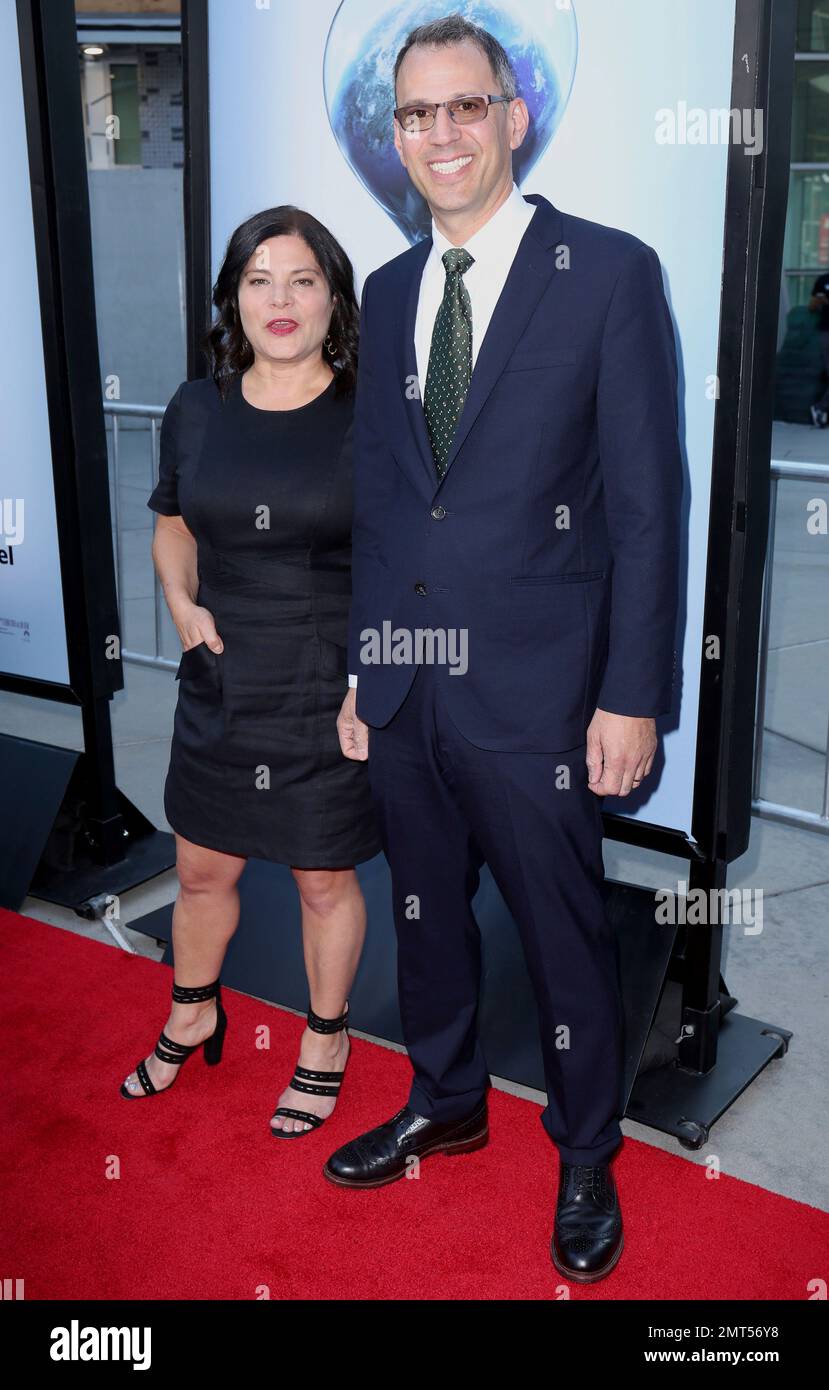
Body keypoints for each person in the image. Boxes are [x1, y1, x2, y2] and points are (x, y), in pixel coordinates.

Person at [326, 15, 683, 1283]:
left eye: (464, 107)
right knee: (425, 915)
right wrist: (366, 670)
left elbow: (647, 504)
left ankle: (585, 1147)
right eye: (417, 116)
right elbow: (382, 503)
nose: (442, 135)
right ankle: (446, 1097)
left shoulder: (610, 272)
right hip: (409, 683)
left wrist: (632, 694)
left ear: (512, 116)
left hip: (541, 690)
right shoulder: (382, 291)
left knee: (560, 928)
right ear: (398, 136)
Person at [120, 207, 383, 1136]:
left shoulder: (371, 412)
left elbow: (402, 559)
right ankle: (193, 1009)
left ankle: (325, 1037)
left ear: (332, 300)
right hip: (221, 680)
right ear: (233, 298)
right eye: (260, 280)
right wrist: (184, 608)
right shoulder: (196, 409)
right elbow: (172, 523)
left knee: (322, 881)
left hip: (328, 685)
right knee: (200, 869)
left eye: (303, 280)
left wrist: (370, 681)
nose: (281, 300)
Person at [808, 267, 829, 427]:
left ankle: (820, 409)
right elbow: (812, 306)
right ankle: (820, 409)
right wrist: (821, 300)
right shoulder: (823, 280)